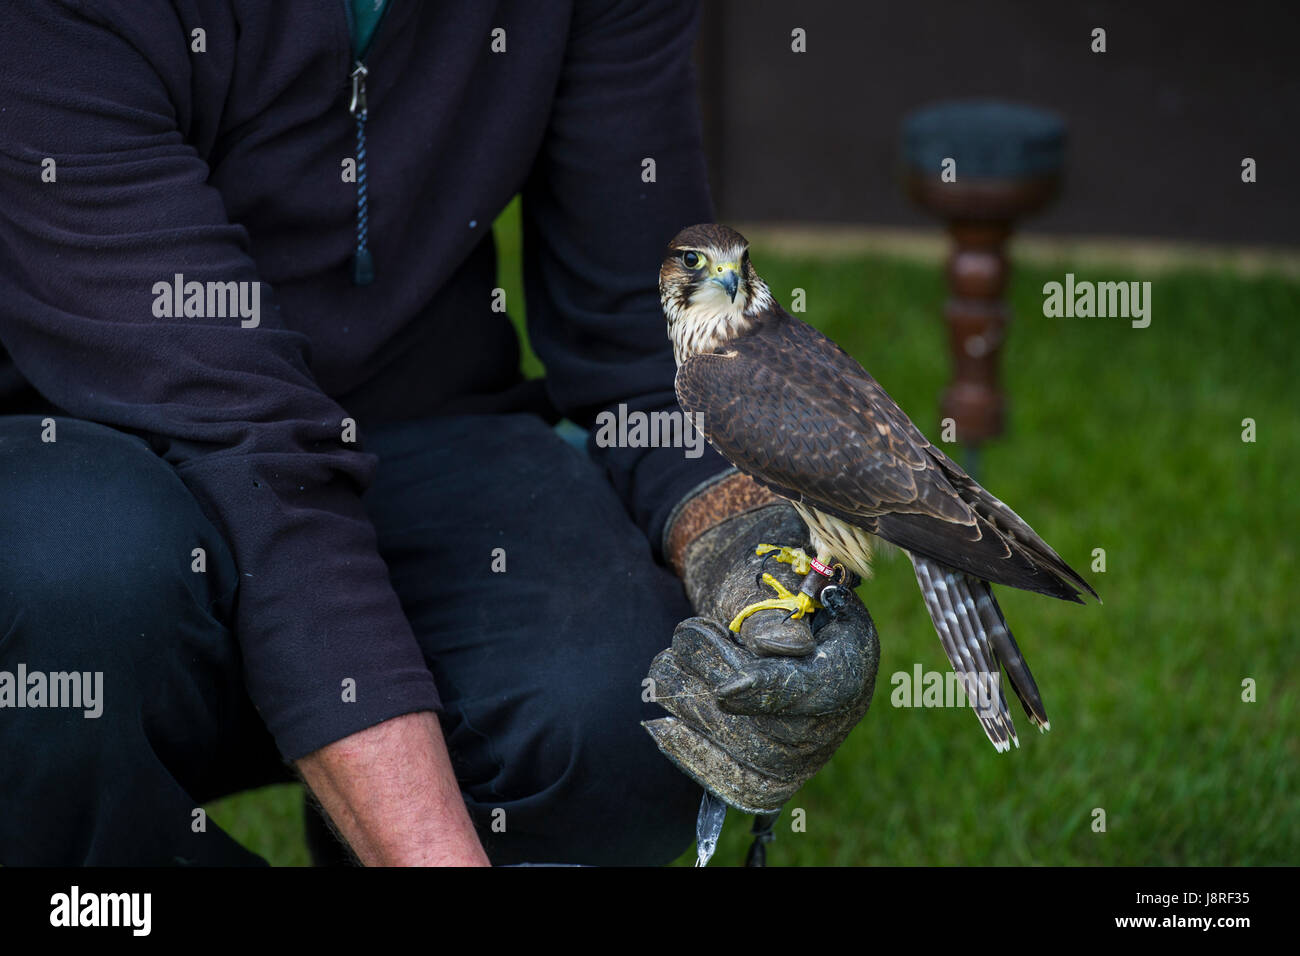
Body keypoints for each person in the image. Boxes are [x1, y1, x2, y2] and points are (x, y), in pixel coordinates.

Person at [0, 0, 877, 866]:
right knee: (69, 582)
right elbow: (243, 439)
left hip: (418, 425)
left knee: (626, 706)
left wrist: (749, 544)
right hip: (81, 437)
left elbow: (641, 330)